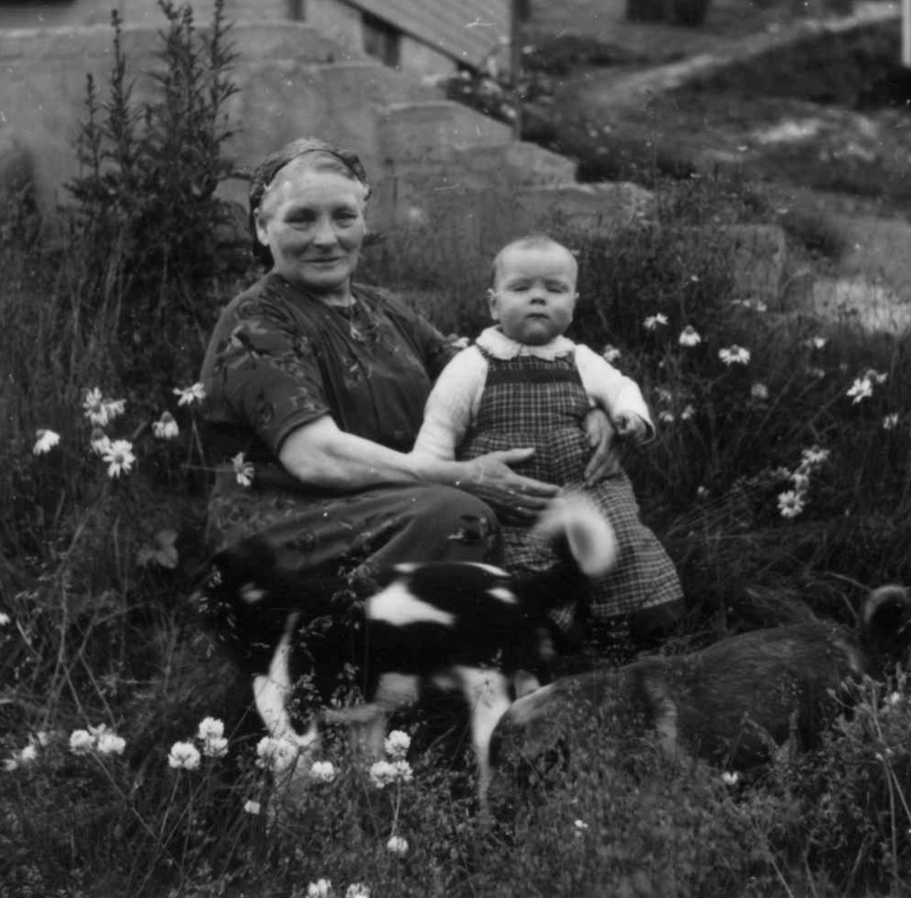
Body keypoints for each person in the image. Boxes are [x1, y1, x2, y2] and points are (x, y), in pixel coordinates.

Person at [197, 139, 621, 593]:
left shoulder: (385, 310)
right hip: (285, 535)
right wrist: (462, 477)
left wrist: (591, 411)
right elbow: (315, 456)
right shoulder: (256, 319)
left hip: (401, 508)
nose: (326, 238)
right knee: (462, 518)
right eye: (301, 218)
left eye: (344, 216)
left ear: (364, 220)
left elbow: (488, 383)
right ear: (263, 228)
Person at [412, 234, 684, 654]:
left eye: (554, 289)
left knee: (621, 537)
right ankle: (547, 636)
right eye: (521, 288)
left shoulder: (580, 359)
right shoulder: (472, 365)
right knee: (523, 559)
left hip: (588, 485)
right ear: (493, 304)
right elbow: (440, 427)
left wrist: (628, 417)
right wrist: (435, 477)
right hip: (515, 496)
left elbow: (621, 388)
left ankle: (640, 627)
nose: (538, 298)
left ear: (573, 304)